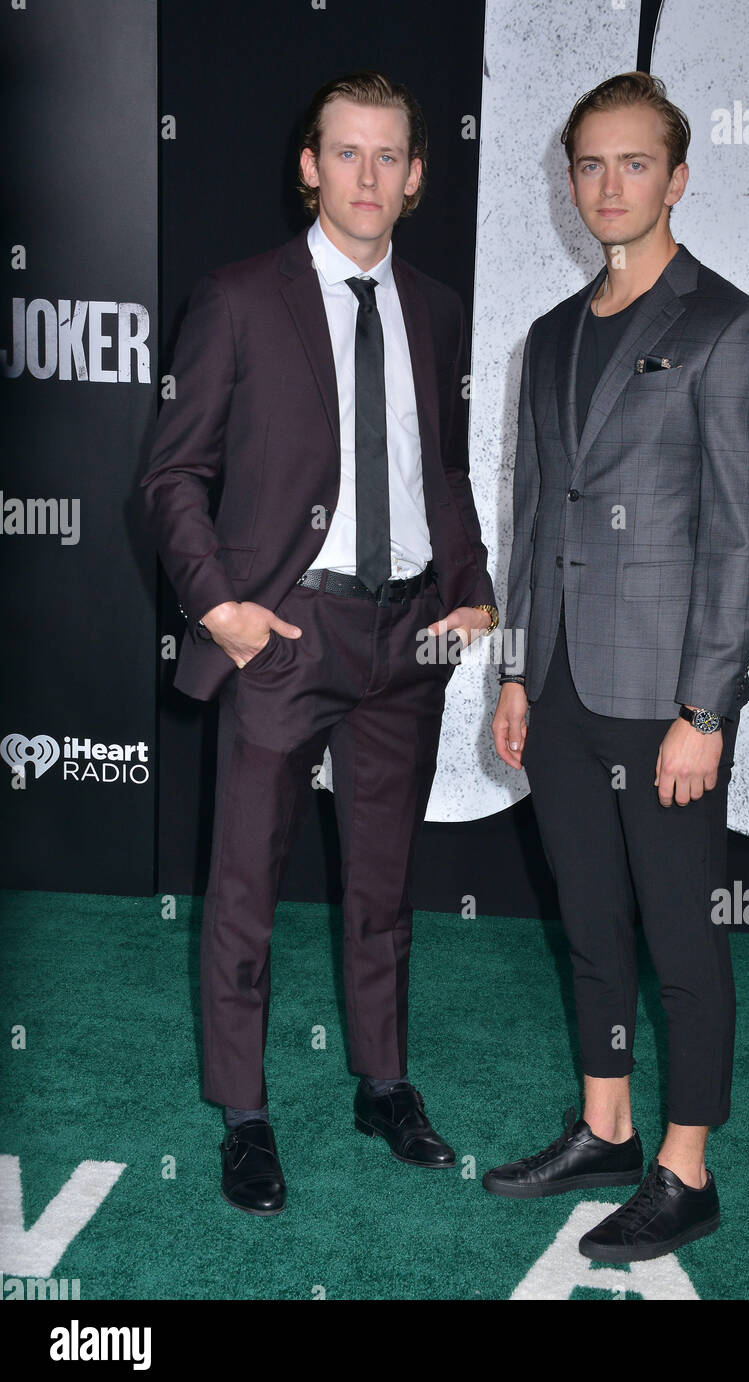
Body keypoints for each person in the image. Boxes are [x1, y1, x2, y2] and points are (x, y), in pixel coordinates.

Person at [140, 71, 497, 1215]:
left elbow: (441, 468)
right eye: (346, 153)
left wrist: (472, 586)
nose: (367, 177)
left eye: (389, 157)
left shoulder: (437, 308)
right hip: (286, 634)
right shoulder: (241, 297)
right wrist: (221, 607)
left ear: (417, 177)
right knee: (244, 883)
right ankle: (245, 1115)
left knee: (384, 886)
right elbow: (170, 475)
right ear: (310, 164)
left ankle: (382, 1082)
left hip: (404, 637)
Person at [487, 72, 749, 1262]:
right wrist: (515, 671)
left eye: (633, 164)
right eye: (588, 165)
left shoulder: (728, 329)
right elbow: (529, 516)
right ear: (569, 180)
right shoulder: (550, 335)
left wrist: (704, 707)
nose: (608, 186)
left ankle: (686, 1167)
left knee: (680, 934)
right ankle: (605, 1126)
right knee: (589, 916)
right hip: (560, 682)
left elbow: (744, 535)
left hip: (668, 697)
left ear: (676, 176)